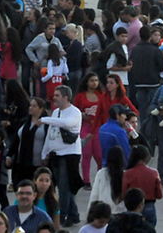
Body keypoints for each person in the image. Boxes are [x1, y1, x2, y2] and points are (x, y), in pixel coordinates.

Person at [40, 85, 82, 228]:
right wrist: (44, 153)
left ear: (66, 97)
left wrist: (44, 119)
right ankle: (74, 215)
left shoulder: (75, 112)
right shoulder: (55, 112)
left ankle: (62, 216)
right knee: (63, 187)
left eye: (57, 95)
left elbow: (67, 123)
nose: (54, 98)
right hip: (56, 154)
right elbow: (50, 134)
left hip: (69, 154)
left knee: (64, 188)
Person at [122, 145, 162, 226]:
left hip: (133, 208)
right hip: (149, 206)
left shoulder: (127, 174)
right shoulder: (154, 173)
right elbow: (159, 195)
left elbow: (123, 195)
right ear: (146, 157)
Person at [89, 145, 126, 214]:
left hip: (103, 213)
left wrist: (90, 213)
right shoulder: (126, 175)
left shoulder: (101, 173)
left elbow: (94, 196)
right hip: (121, 213)